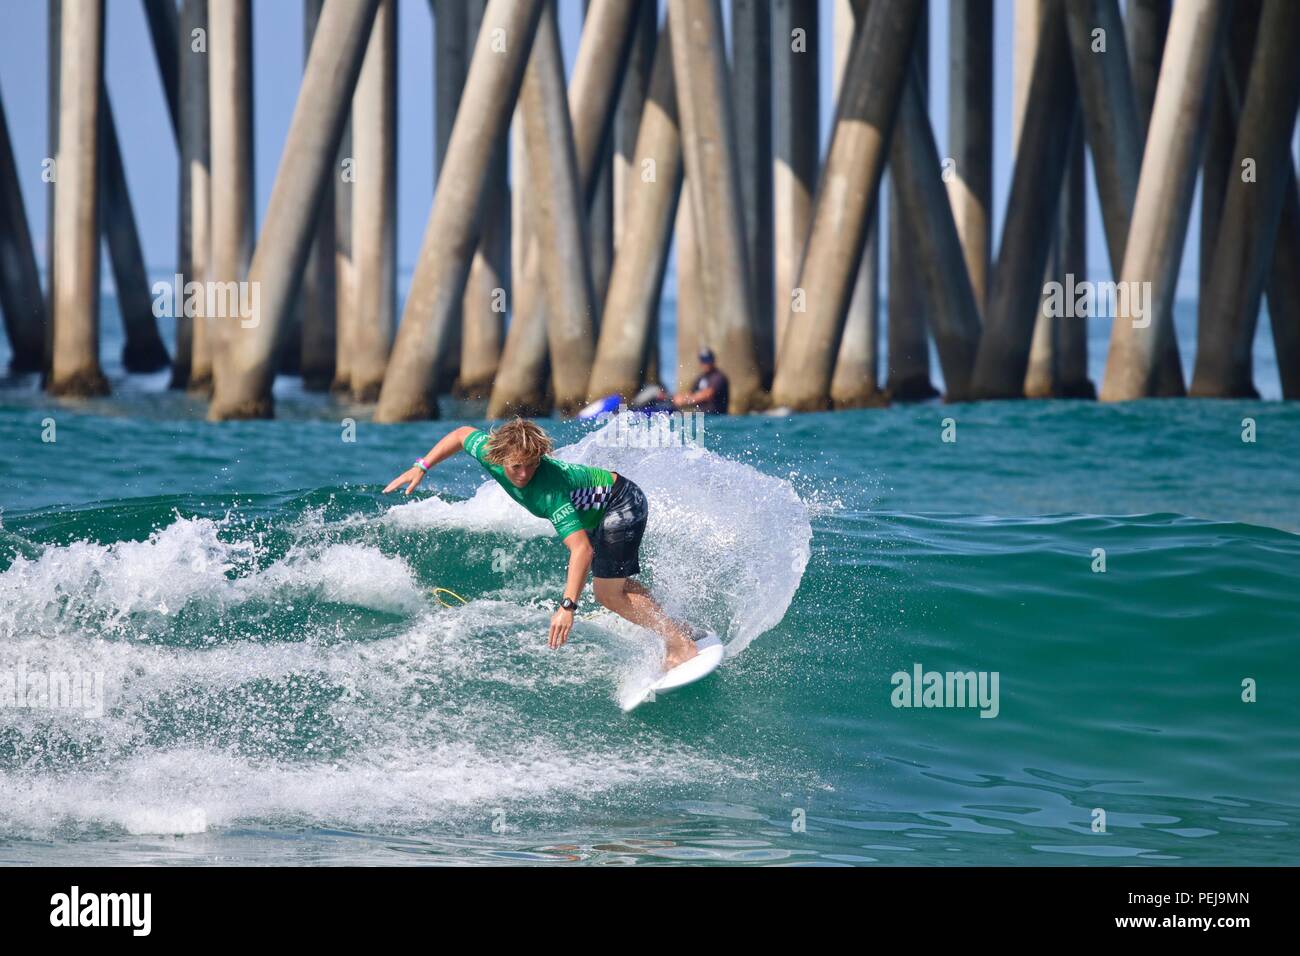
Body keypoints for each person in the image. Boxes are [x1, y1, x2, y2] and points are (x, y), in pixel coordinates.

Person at [383, 418, 700, 668]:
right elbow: (461, 433)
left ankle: (680, 644)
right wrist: (421, 466)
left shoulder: (549, 490)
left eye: (532, 464)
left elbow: (581, 550)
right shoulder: (491, 452)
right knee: (617, 587)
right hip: (602, 510)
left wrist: (567, 608)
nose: (524, 473)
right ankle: (677, 630)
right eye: (516, 466)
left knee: (606, 594)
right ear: (499, 456)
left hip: (621, 505)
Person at [673, 347, 729, 414]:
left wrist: (686, 400)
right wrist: (678, 398)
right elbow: (691, 393)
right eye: (704, 361)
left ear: (713, 361)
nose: (706, 364)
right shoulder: (700, 378)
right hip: (702, 416)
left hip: (716, 416)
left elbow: (708, 394)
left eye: (708, 360)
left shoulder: (719, 377)